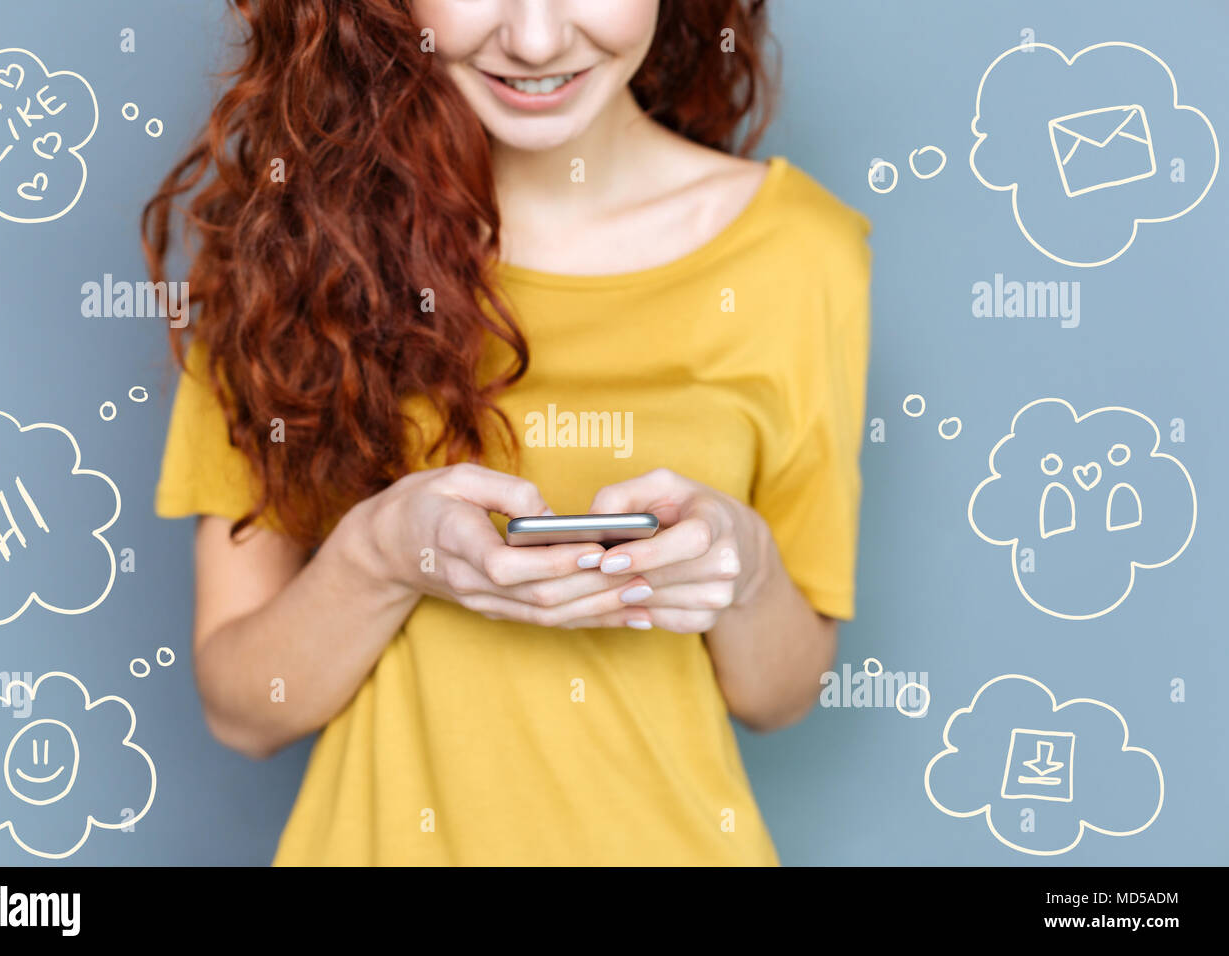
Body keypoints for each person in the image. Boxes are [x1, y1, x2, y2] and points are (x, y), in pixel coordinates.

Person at [146, 0, 871, 865]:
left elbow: (777, 696)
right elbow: (242, 711)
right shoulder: (287, 249)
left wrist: (743, 569)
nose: (535, 39)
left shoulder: (802, 252)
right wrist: (381, 555)